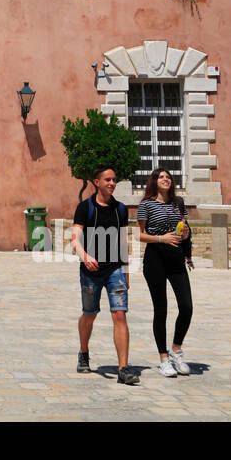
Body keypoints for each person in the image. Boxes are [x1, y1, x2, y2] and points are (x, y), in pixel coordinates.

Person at [72, 164, 138, 385]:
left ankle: (123, 368)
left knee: (119, 314)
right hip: (90, 272)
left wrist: (127, 270)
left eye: (114, 179)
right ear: (97, 182)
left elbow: (122, 242)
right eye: (107, 179)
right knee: (89, 314)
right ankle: (83, 352)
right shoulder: (85, 208)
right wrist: (85, 255)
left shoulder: (120, 209)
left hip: (115, 270)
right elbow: (74, 239)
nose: (112, 183)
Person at [136, 169, 194, 376]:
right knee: (161, 309)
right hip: (155, 260)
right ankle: (163, 359)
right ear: (154, 181)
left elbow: (185, 228)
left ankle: (176, 350)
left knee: (186, 307)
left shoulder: (178, 203)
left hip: (176, 258)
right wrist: (162, 239)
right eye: (161, 177)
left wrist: (186, 240)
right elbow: (140, 235)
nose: (166, 179)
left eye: (168, 177)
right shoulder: (146, 204)